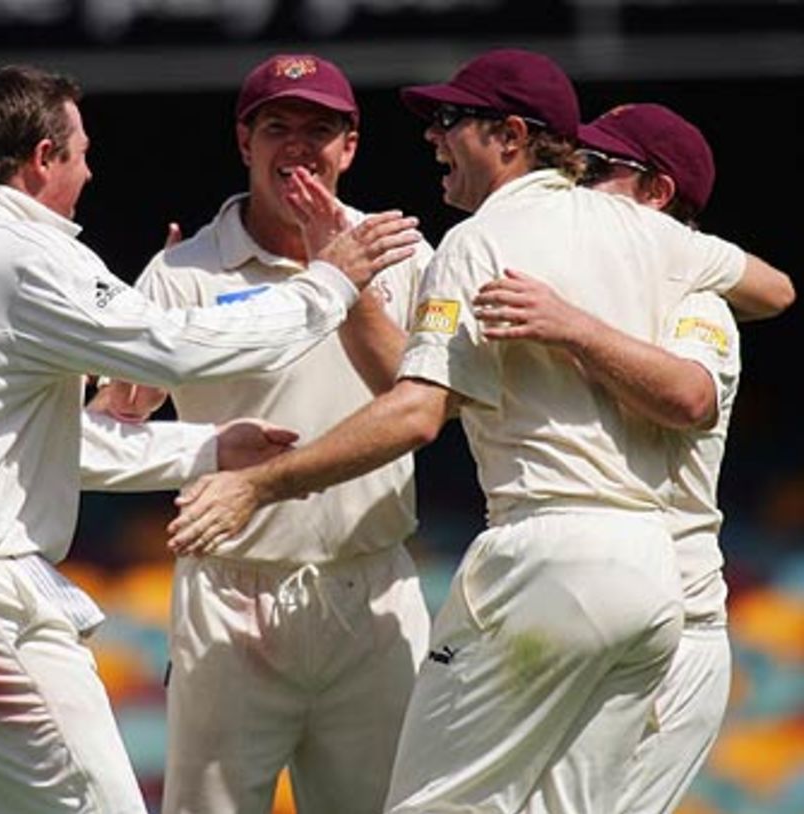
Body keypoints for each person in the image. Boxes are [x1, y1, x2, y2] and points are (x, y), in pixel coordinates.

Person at [166, 49, 794, 813]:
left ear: (509, 135)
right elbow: (775, 287)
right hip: (650, 578)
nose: (434, 136)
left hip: (545, 559)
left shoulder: (477, 242)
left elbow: (418, 411)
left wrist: (258, 484)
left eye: (452, 121)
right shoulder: (644, 232)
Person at [0, 64, 419, 812]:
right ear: (44, 159)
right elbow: (176, 350)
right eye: (80, 151)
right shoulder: (20, 256)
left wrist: (205, 450)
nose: (91, 168)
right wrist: (329, 282)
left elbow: (64, 442)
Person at [92, 53, 434, 814]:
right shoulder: (181, 272)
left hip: (369, 584)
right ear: (244, 142)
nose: (299, 147)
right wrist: (125, 390)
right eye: (278, 127)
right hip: (231, 593)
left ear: (351, 146)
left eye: (321, 129)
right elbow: (117, 420)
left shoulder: (403, 255)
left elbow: (412, 403)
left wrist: (335, 273)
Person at [472, 102, 778, 814]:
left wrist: (570, 326)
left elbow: (692, 396)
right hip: (588, 604)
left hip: (675, 628)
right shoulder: (587, 283)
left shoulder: (699, 301)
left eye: (599, 171)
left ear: (657, 195)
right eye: (572, 168)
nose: (575, 187)